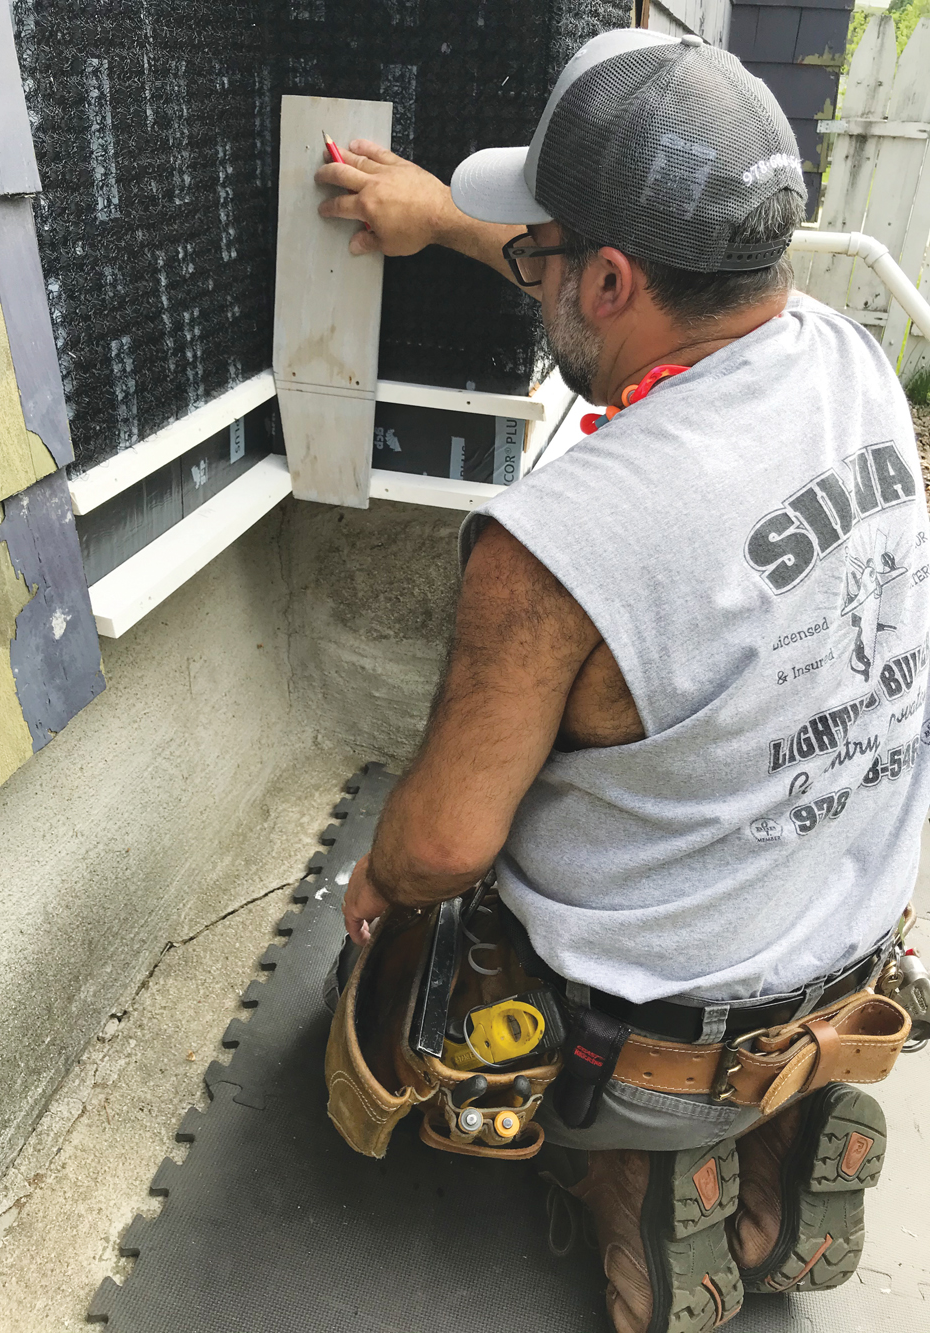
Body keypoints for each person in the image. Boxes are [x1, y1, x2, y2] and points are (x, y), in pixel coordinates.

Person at [316, 27, 930, 1333]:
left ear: (602, 276)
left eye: (541, 253)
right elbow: (621, 290)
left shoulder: (561, 543)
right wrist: (436, 217)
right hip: (852, 956)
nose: (527, 269)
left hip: (645, 1048)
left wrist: (379, 883)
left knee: (405, 935)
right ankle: (780, 1146)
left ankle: (629, 1185)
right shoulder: (850, 364)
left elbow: (442, 838)